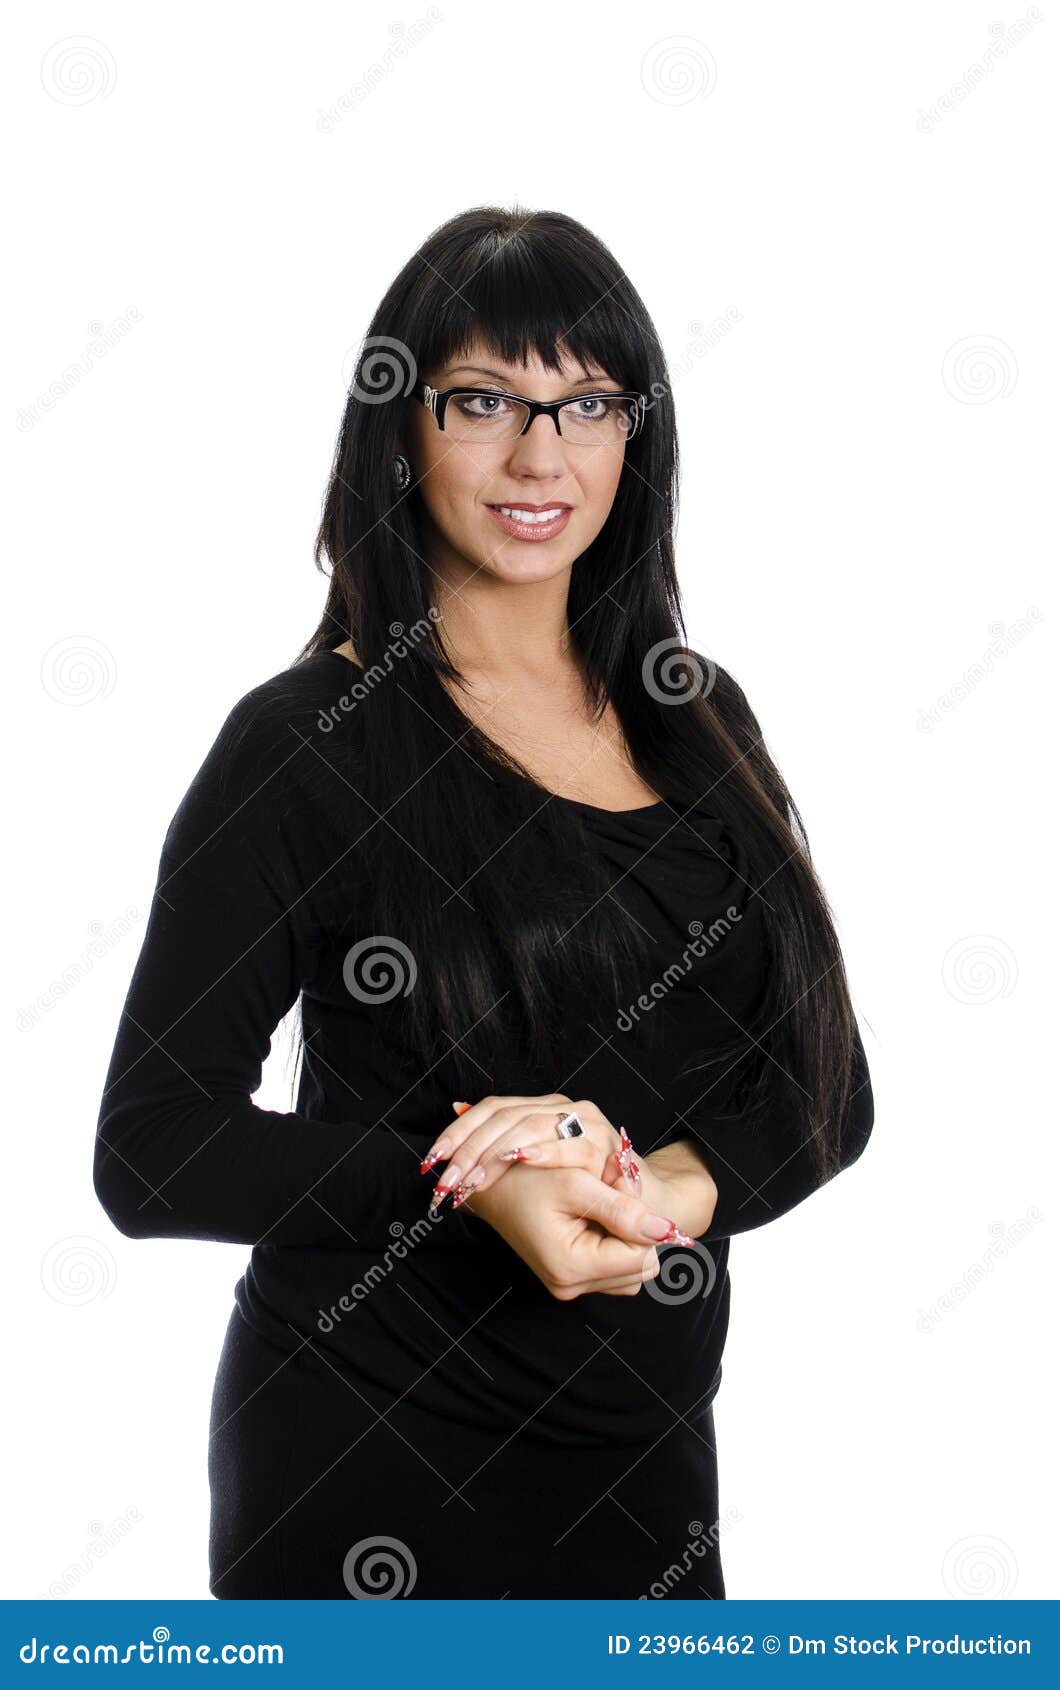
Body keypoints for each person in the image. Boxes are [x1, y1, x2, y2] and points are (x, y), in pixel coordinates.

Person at [93, 205, 874, 1600]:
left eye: (586, 404)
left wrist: (651, 1189)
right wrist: (471, 1182)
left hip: (645, 1475)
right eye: (483, 402)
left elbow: (827, 1091)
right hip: (362, 1469)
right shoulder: (304, 742)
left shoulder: (697, 717)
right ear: (398, 424)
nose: (540, 456)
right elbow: (153, 1151)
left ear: (639, 436)